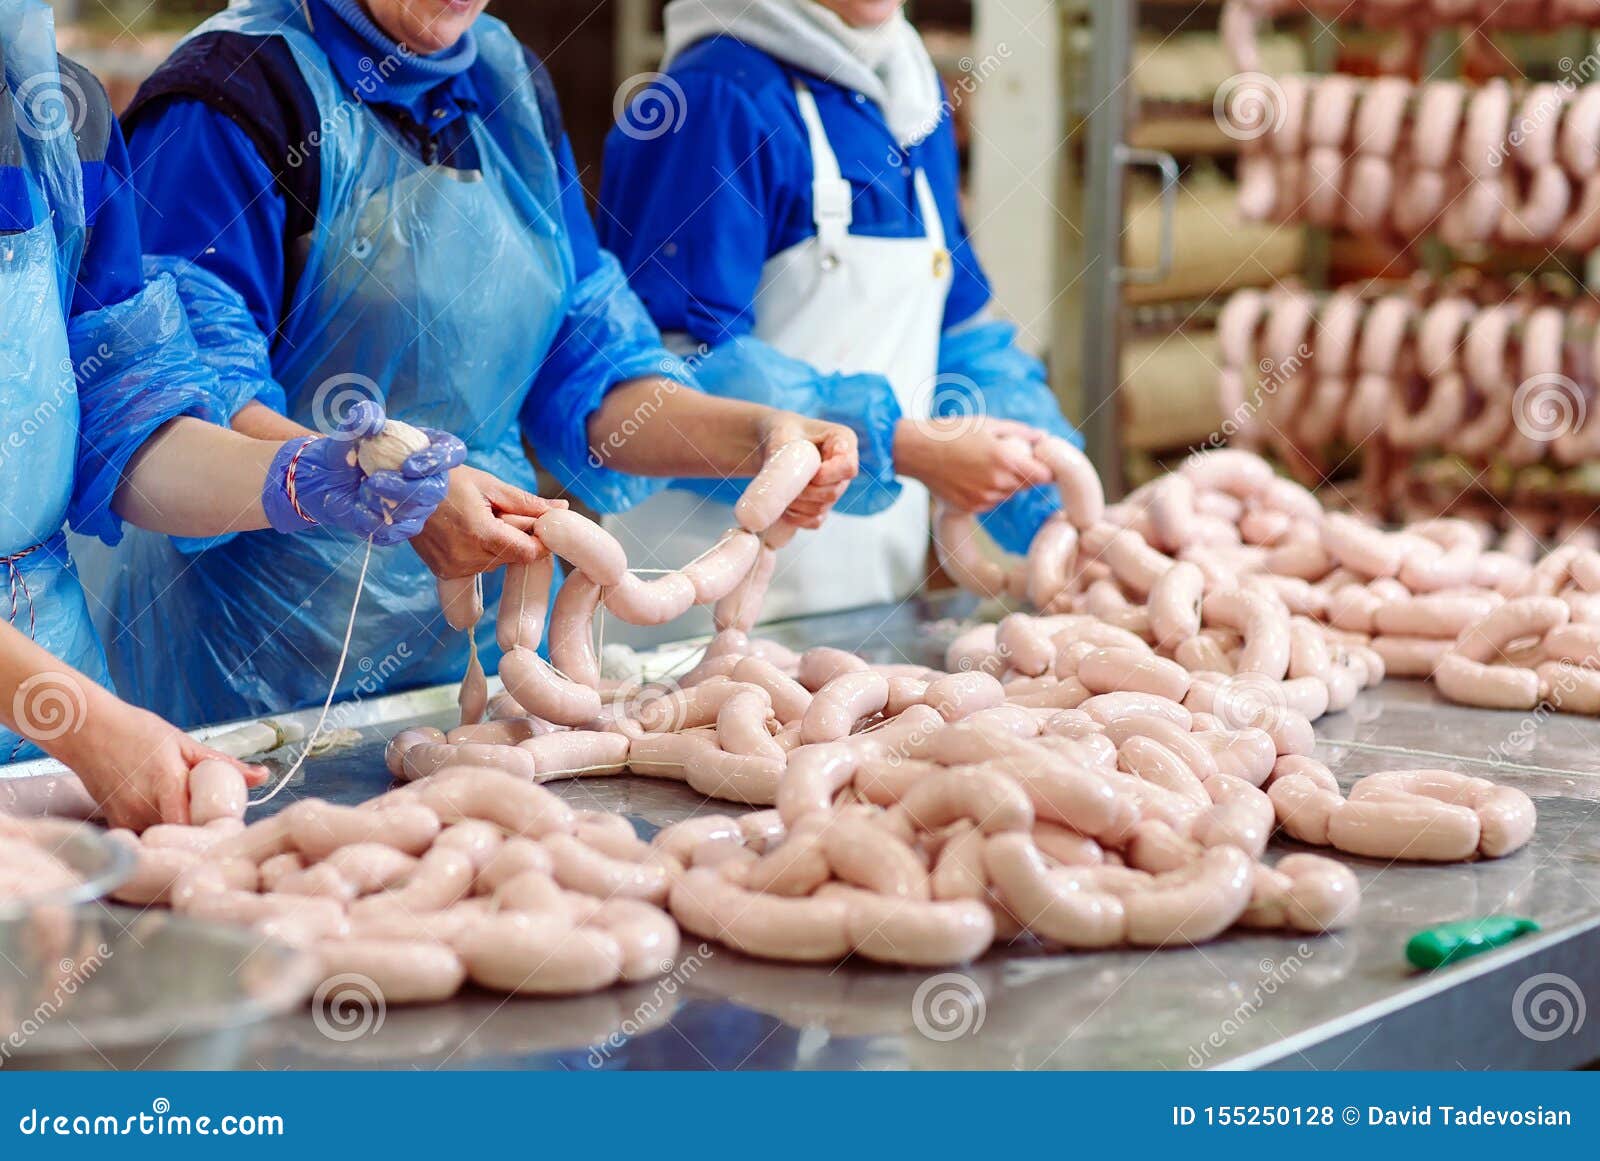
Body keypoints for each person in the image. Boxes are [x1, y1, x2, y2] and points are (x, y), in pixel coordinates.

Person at [100, 0, 859, 728]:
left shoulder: (506, 86)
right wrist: (382, 485)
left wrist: (755, 436)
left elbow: (591, 369)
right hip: (258, 670)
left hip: (492, 663)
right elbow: (191, 410)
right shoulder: (231, 98)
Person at [2, 0, 457, 825]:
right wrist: (85, 725)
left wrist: (305, 475)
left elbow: (133, 430)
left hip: (53, 705)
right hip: (65, 717)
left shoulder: (60, 118)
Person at [599, 0, 1082, 629]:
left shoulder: (909, 98)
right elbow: (667, 377)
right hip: (701, 603)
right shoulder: (713, 96)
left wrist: (1055, 503)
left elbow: (959, 343)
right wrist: (900, 445)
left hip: (871, 599)